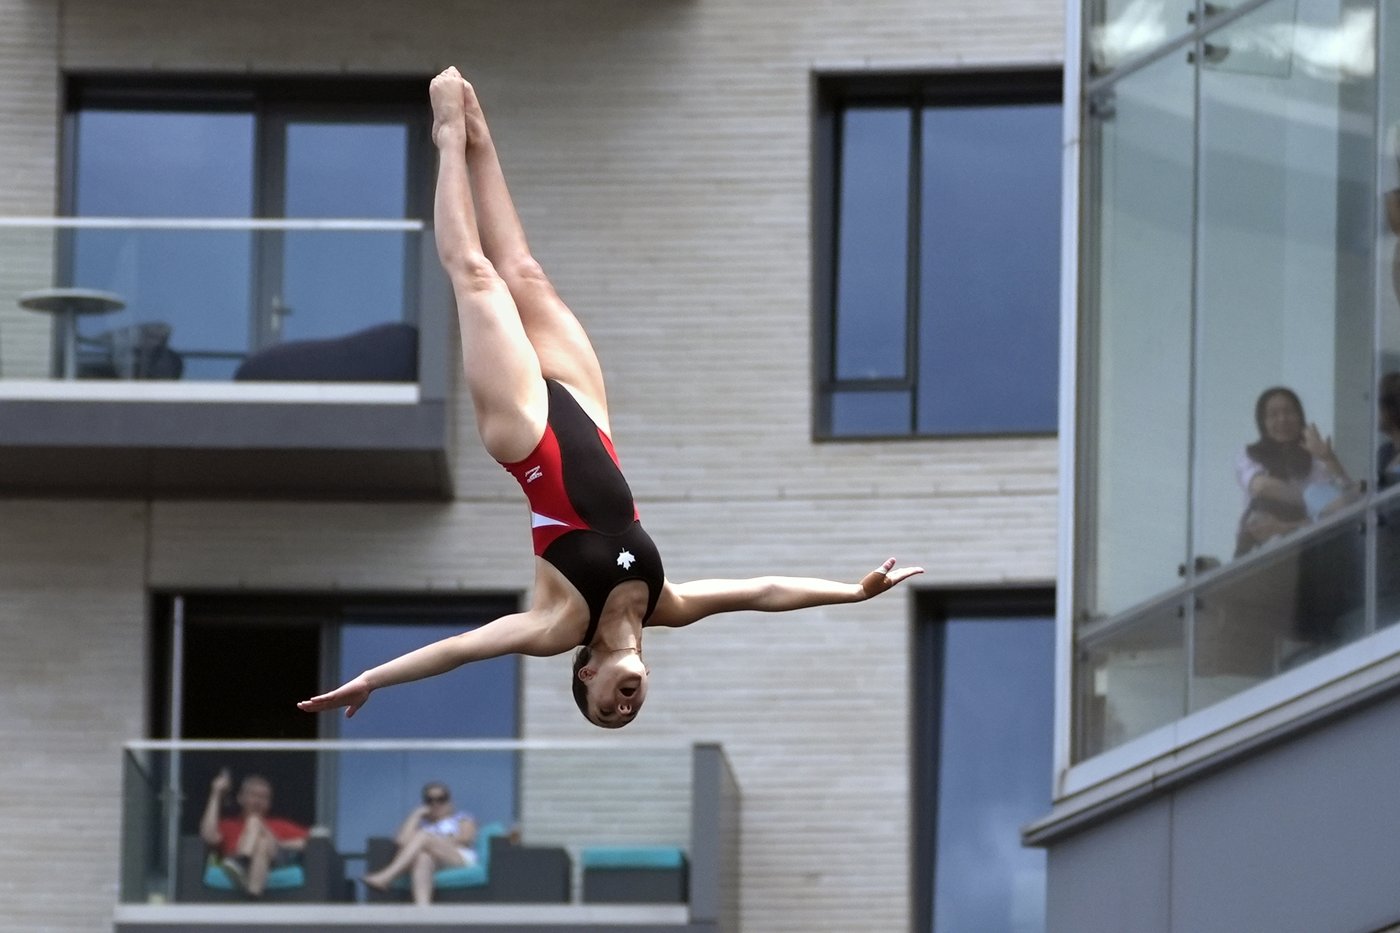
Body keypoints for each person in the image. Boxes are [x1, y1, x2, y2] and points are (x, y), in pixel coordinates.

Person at [297, 68, 922, 730]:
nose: (624, 703)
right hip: (590, 419)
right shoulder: (665, 601)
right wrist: (852, 592)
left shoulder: (557, 623)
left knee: (479, 278)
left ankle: (448, 136)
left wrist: (372, 677)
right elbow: (763, 591)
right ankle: (481, 137)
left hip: (528, 439)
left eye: (606, 707)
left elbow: (461, 649)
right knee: (527, 272)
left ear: (585, 673)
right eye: (632, 708)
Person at [1234, 386, 1359, 556]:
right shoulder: (1251, 454)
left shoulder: (1316, 457)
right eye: (1273, 415)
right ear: (1262, 422)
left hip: (1312, 546)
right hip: (1262, 552)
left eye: (1289, 412)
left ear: (1300, 416)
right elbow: (1262, 487)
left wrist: (1328, 458)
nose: (1283, 419)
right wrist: (1315, 501)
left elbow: (1348, 501)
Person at [363, 782, 477, 904]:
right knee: (423, 858)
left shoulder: (461, 817)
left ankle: (387, 877)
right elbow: (402, 841)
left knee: (423, 837)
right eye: (430, 800)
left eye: (441, 799)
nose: (436, 804)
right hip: (434, 860)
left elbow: (466, 838)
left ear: (449, 801)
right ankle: (423, 911)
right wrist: (416, 814)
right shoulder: (423, 825)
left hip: (458, 857)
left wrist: (432, 841)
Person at [199, 769, 308, 897]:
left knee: (255, 821)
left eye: (264, 797)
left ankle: (241, 862)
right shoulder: (229, 824)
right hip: (252, 871)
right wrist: (216, 793)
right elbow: (208, 836)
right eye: (253, 795)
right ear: (240, 798)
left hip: (273, 861)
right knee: (261, 844)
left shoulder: (279, 824)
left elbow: (310, 843)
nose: (258, 801)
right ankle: (252, 897)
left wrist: (279, 843)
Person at [1377, 371, 1400, 489]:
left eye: (1377, 405)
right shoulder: (1384, 452)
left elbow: (1380, 486)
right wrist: (1329, 458)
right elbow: (1369, 487)